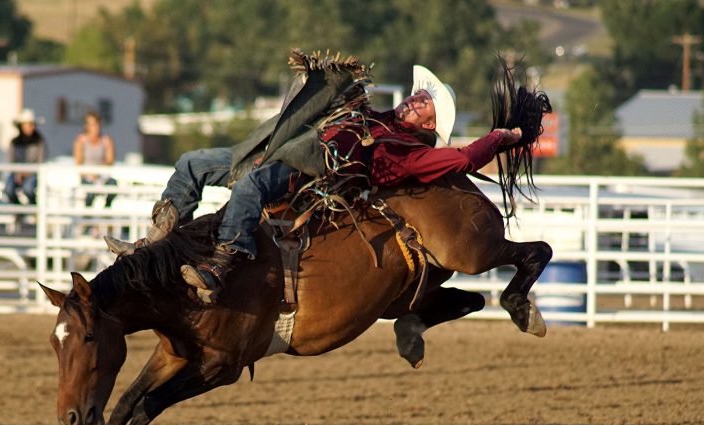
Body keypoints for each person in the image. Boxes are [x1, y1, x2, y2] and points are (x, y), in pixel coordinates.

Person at [108, 60, 522, 301]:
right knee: (193, 163)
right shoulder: (371, 116)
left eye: (423, 103)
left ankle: (223, 261)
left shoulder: (412, 152)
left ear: (430, 123)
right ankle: (161, 237)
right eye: (418, 95)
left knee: (252, 188)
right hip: (285, 152)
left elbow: (465, 158)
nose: (414, 100)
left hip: (313, 173)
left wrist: (499, 138)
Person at [73, 110, 117, 208]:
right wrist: (90, 174)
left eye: (96, 124)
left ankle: (107, 212)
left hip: (102, 175)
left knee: (113, 186)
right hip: (87, 176)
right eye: (92, 124)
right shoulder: (81, 141)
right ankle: (87, 219)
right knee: (90, 193)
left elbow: (110, 160)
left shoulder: (106, 140)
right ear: (87, 126)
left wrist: (98, 172)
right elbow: (78, 162)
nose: (95, 127)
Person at [3, 108, 47, 205]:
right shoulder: (14, 142)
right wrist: (18, 173)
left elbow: (41, 161)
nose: (29, 127)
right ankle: (18, 210)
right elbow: (10, 160)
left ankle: (33, 208)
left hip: (32, 174)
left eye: (31, 125)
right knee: (8, 189)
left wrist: (27, 172)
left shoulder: (39, 142)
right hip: (16, 174)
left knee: (29, 189)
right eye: (27, 125)